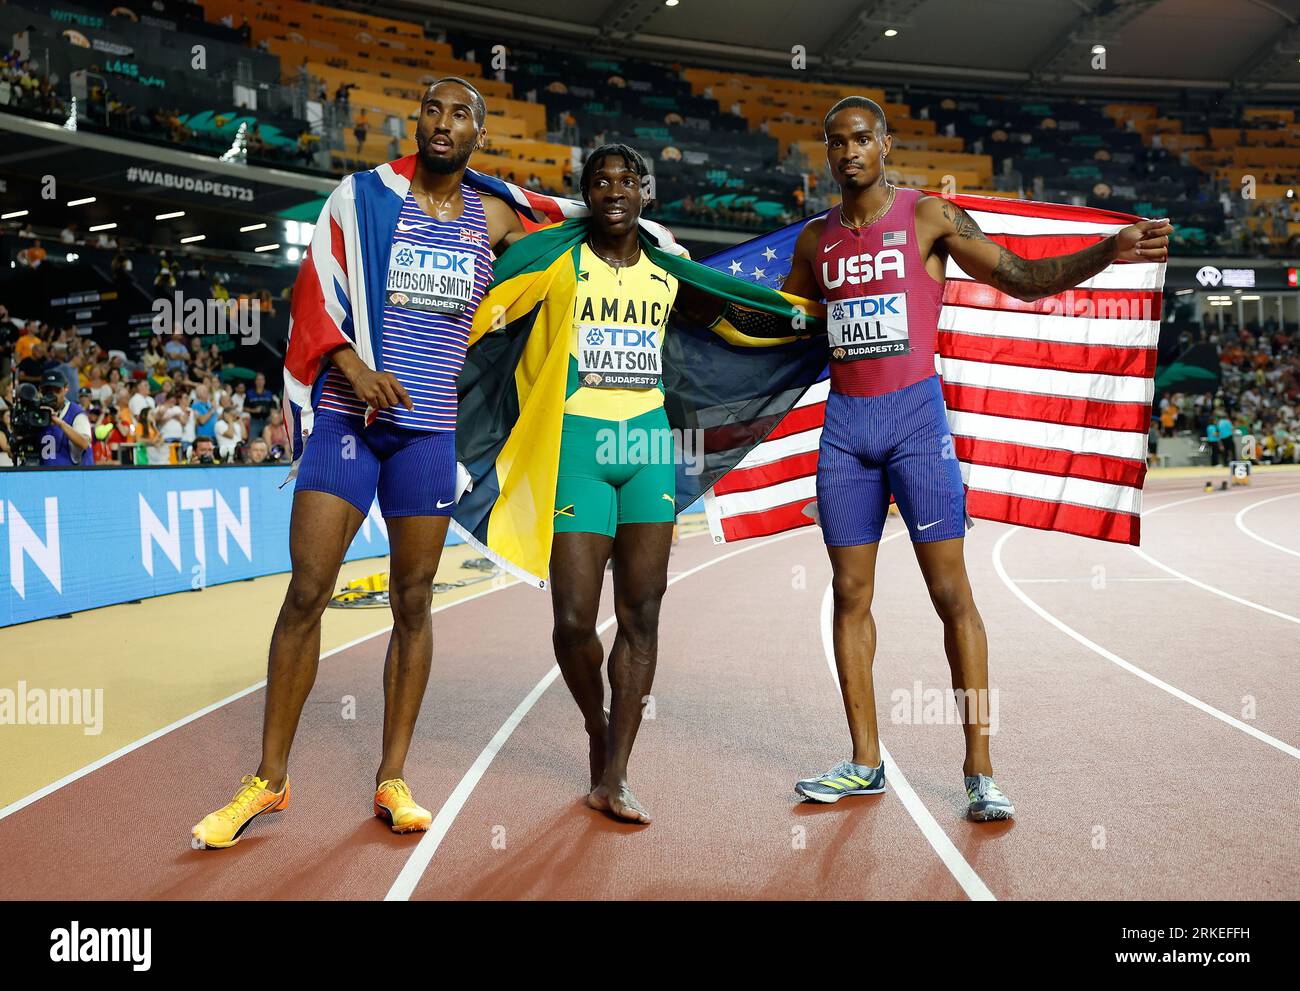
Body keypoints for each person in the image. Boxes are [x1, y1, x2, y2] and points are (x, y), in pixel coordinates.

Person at [778, 96, 1172, 821]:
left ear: (885, 144)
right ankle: (865, 762)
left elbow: (1021, 277)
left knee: (951, 594)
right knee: (849, 593)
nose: (849, 152)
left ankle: (980, 770)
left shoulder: (928, 217)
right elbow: (778, 332)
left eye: (861, 138)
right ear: (826, 153)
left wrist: (1109, 253)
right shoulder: (813, 243)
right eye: (835, 142)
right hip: (845, 435)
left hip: (915, 426)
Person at [192, 76, 526, 849]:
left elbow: (569, 246)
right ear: (417, 122)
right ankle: (268, 780)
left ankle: (393, 776)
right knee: (308, 589)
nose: (443, 124)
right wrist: (350, 365)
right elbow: (316, 290)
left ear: (481, 133)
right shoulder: (366, 196)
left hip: (428, 433)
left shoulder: (499, 215)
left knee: (413, 601)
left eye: (461, 115)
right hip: (349, 417)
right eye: (432, 109)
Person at [37, 371, 93, 467]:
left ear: (65, 389)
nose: (52, 395)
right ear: (40, 391)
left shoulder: (76, 413)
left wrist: (60, 423)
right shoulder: (36, 413)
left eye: (57, 390)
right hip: (45, 475)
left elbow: (85, 443)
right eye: (47, 390)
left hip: (75, 475)